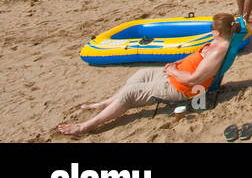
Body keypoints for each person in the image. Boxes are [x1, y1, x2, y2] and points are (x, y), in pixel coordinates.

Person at [58, 14, 238, 136]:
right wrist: (177, 65)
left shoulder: (217, 51)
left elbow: (194, 80)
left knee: (131, 94)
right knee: (141, 75)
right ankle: (106, 103)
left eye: (212, 28)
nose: (210, 30)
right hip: (176, 75)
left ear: (217, 32)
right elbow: (196, 60)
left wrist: (173, 71)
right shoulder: (218, 42)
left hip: (182, 87)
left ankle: (85, 127)